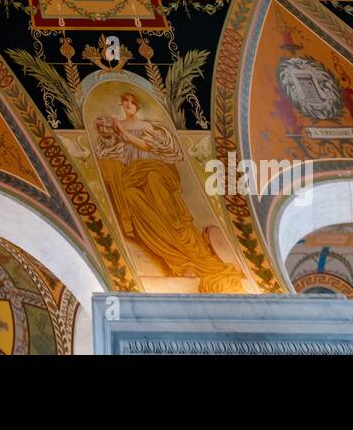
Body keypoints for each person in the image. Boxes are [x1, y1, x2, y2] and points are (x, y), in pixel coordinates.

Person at [94, 90, 244, 293]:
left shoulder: (146, 126)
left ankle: (194, 257)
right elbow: (112, 152)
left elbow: (146, 146)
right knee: (130, 195)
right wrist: (107, 134)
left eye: (131, 101)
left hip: (156, 169)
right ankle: (178, 259)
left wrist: (123, 132)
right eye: (125, 101)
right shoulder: (118, 128)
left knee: (162, 196)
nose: (128, 104)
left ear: (137, 106)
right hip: (134, 175)